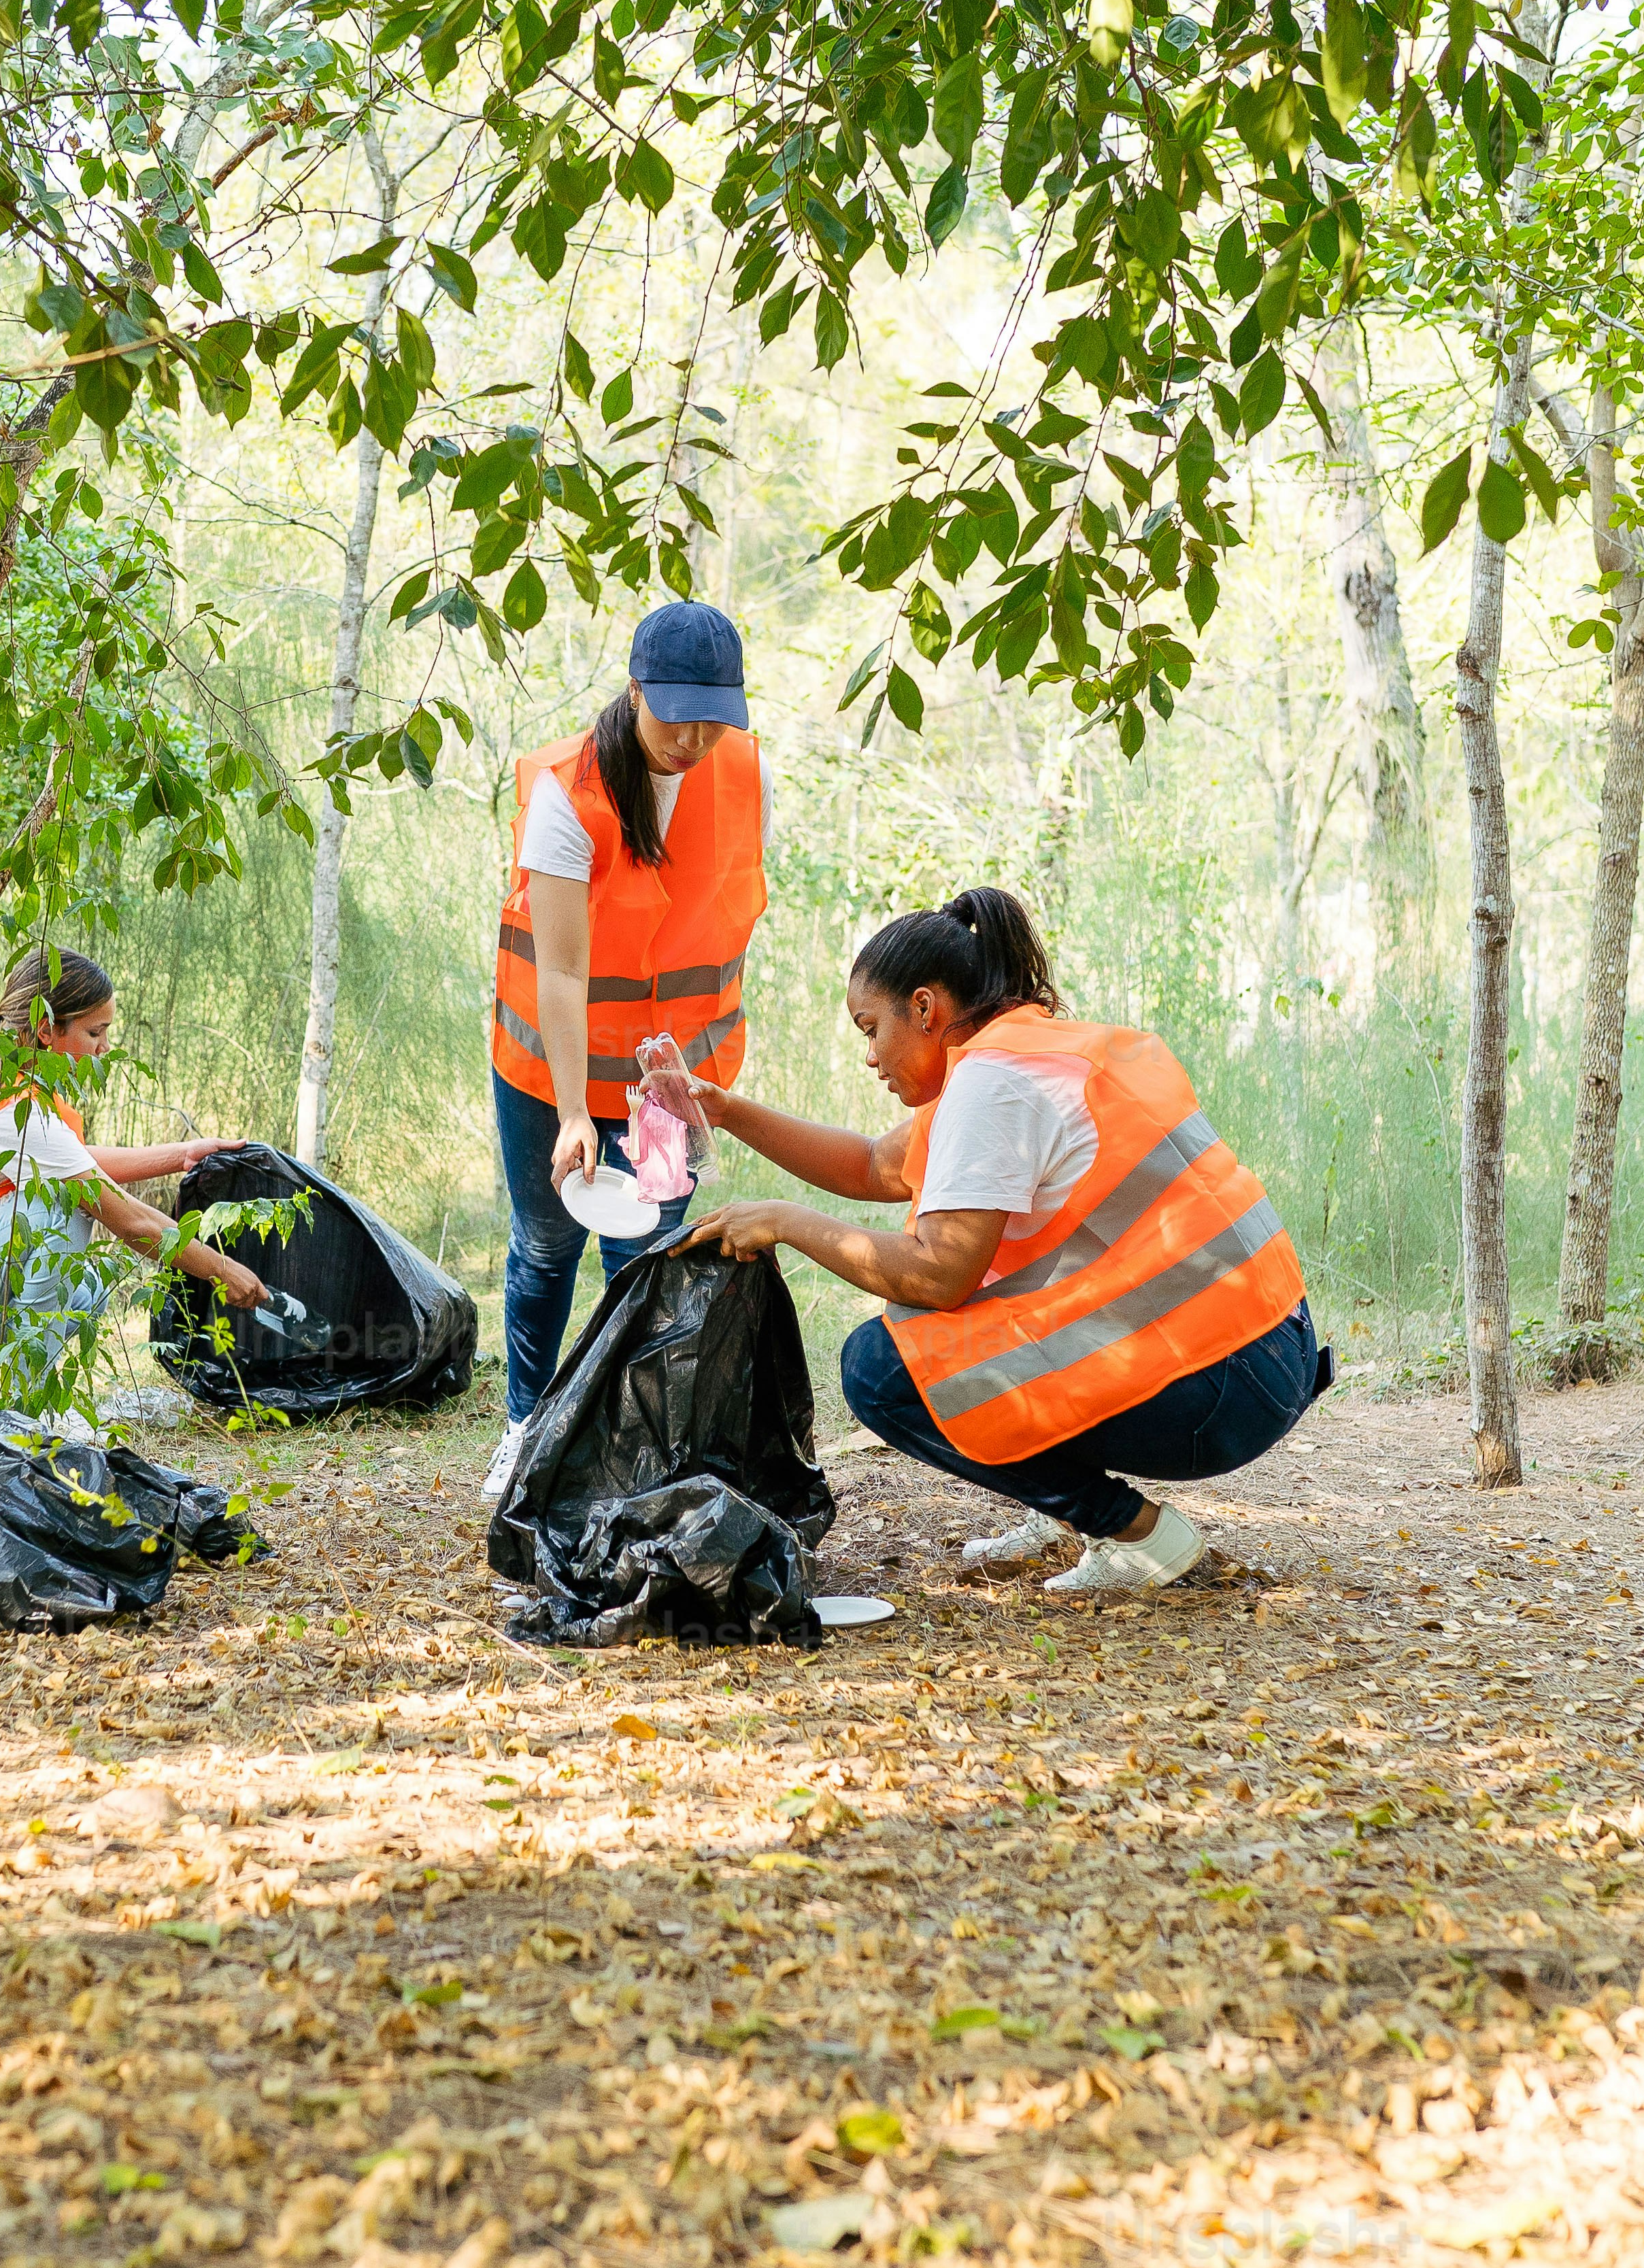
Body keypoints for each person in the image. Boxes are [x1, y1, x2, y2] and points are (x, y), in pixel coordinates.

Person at [676, 887, 1328, 1597]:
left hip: (1223, 1385)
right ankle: (1060, 1510)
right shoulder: (1026, 1049)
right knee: (949, 1332)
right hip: (1269, 1348)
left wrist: (783, 1221)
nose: (870, 1057)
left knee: (883, 1369)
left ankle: (1134, 1534)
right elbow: (870, 1165)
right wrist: (727, 1110)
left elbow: (936, 1276)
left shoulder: (992, 1083)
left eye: (871, 1030)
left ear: (924, 1009)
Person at [485, 599, 769, 1493]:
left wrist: (692, 1087)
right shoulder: (567, 794)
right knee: (545, 1247)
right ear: (636, 686)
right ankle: (525, 1430)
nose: (692, 736)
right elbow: (561, 972)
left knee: (651, 1252)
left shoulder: (740, 771)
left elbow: (724, 916)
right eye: (675, 711)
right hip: (553, 1066)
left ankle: (642, 1444)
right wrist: (573, 1110)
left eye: (712, 717)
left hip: (666, 1079)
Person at [0, 945, 267, 1427]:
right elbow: (128, 1218)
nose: (104, 1047)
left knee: (86, 1287)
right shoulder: (16, 1109)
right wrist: (221, 1269)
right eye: (94, 1032)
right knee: (69, 1203)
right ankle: (20, 1409)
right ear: (44, 1029)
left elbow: (73, 1159)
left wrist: (180, 1156)